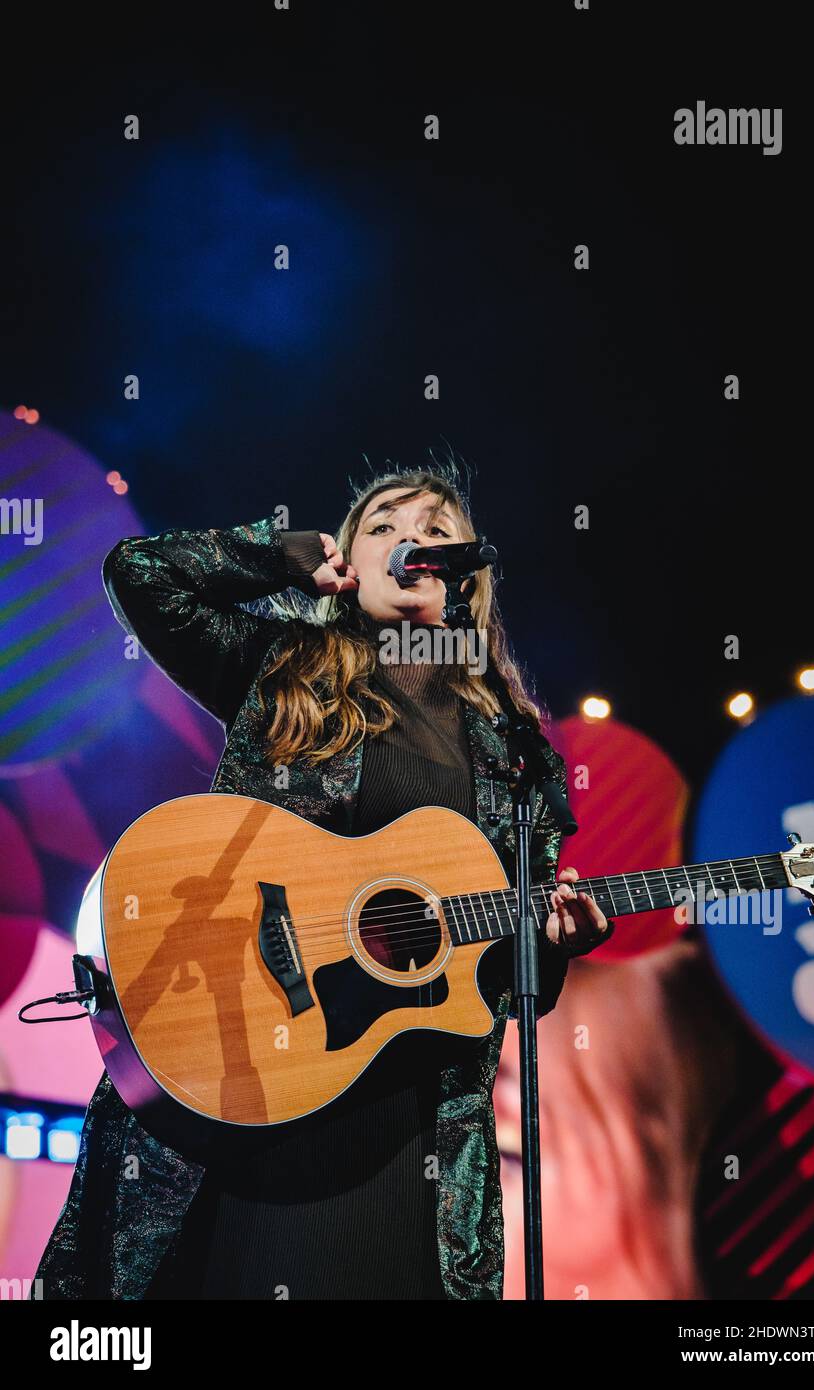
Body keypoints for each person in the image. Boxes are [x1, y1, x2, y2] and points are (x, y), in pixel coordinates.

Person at [32, 463, 613, 1301]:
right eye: (382, 524)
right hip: (247, 1071)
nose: (410, 537)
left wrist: (557, 945)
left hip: (411, 1128)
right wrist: (280, 554)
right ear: (350, 559)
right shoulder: (283, 666)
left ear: (465, 569)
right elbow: (139, 574)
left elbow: (513, 976)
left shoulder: (514, 745)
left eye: (434, 523)